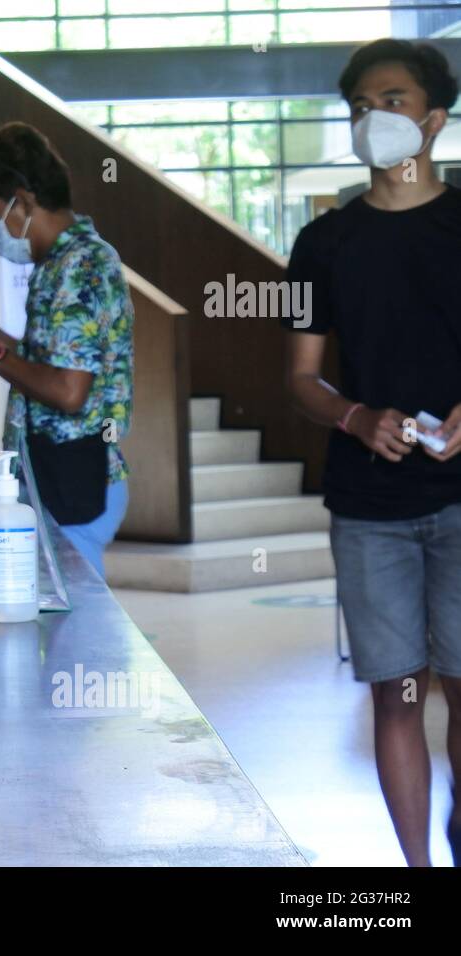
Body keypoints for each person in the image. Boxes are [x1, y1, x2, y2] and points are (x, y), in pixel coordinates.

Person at [283, 38, 461, 867]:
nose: (371, 117)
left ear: (434, 118)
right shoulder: (322, 243)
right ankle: (417, 871)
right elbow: (304, 379)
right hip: (368, 511)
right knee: (397, 695)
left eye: (391, 100)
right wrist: (356, 418)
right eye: (359, 104)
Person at [0, 122, 134, 579]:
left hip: (75, 476)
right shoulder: (63, 263)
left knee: (76, 634)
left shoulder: (79, 265)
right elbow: (60, 361)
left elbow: (68, 391)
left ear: (21, 201)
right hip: (58, 471)